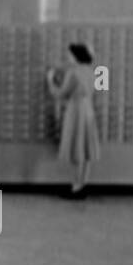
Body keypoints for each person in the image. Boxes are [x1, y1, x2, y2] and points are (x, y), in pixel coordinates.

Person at [48, 41, 101, 198]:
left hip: (75, 110)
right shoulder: (92, 72)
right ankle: (82, 184)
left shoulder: (73, 72)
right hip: (88, 110)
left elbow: (60, 94)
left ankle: (75, 187)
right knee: (86, 148)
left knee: (77, 148)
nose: (68, 57)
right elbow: (95, 91)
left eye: (69, 55)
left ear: (75, 56)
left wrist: (50, 80)